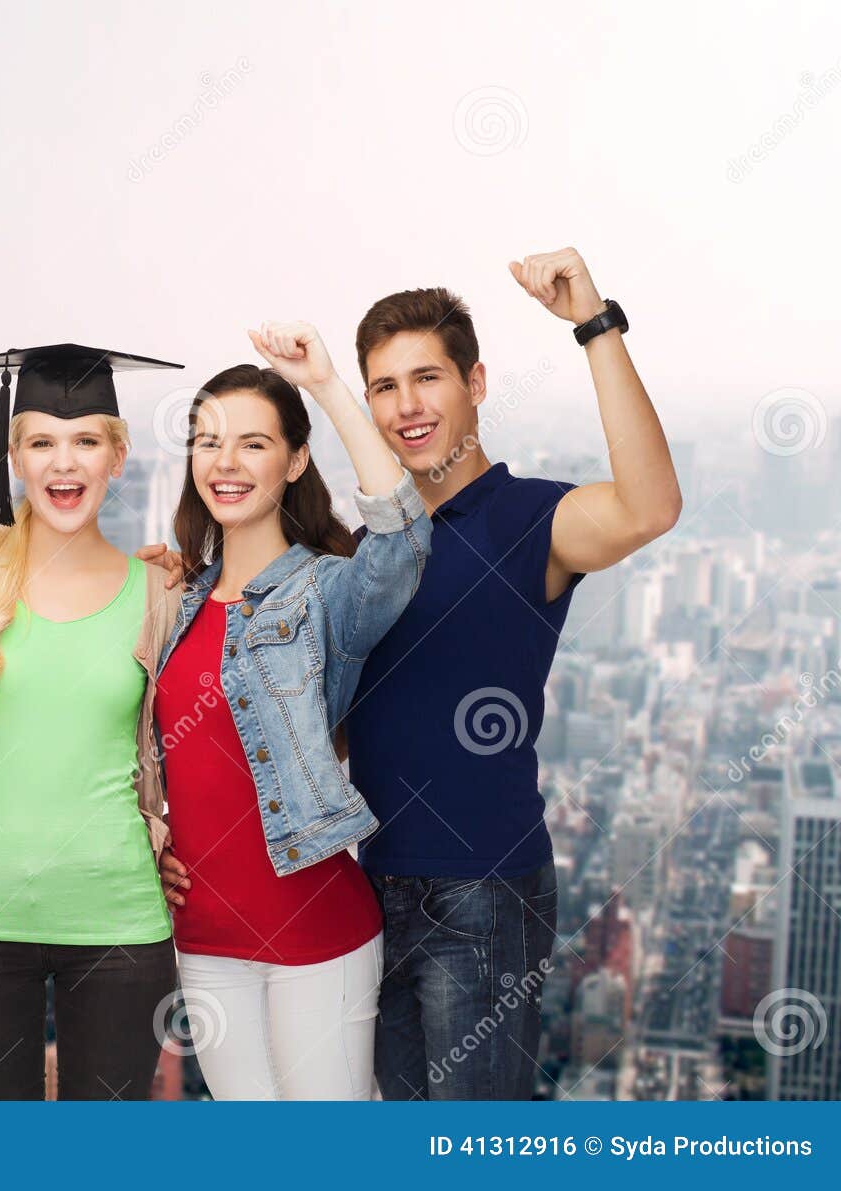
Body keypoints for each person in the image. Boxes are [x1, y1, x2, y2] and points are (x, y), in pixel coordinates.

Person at [163, 249, 679, 1100]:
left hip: (485, 888)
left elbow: (650, 506)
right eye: (382, 386)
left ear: (477, 383)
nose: (406, 406)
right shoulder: (356, 552)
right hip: (369, 889)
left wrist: (593, 323)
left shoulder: (531, 519)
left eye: (427, 378)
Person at [150, 325, 430, 1099]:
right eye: (207, 442)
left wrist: (327, 385)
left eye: (251, 444)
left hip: (315, 932)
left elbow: (403, 541)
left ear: (296, 459)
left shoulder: (323, 594)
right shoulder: (174, 603)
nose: (225, 463)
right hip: (201, 938)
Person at [0, 344, 185, 1100]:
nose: (65, 464)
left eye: (87, 441)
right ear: (16, 457)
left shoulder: (162, 591)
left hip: (120, 920)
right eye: (42, 442)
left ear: (118, 456)